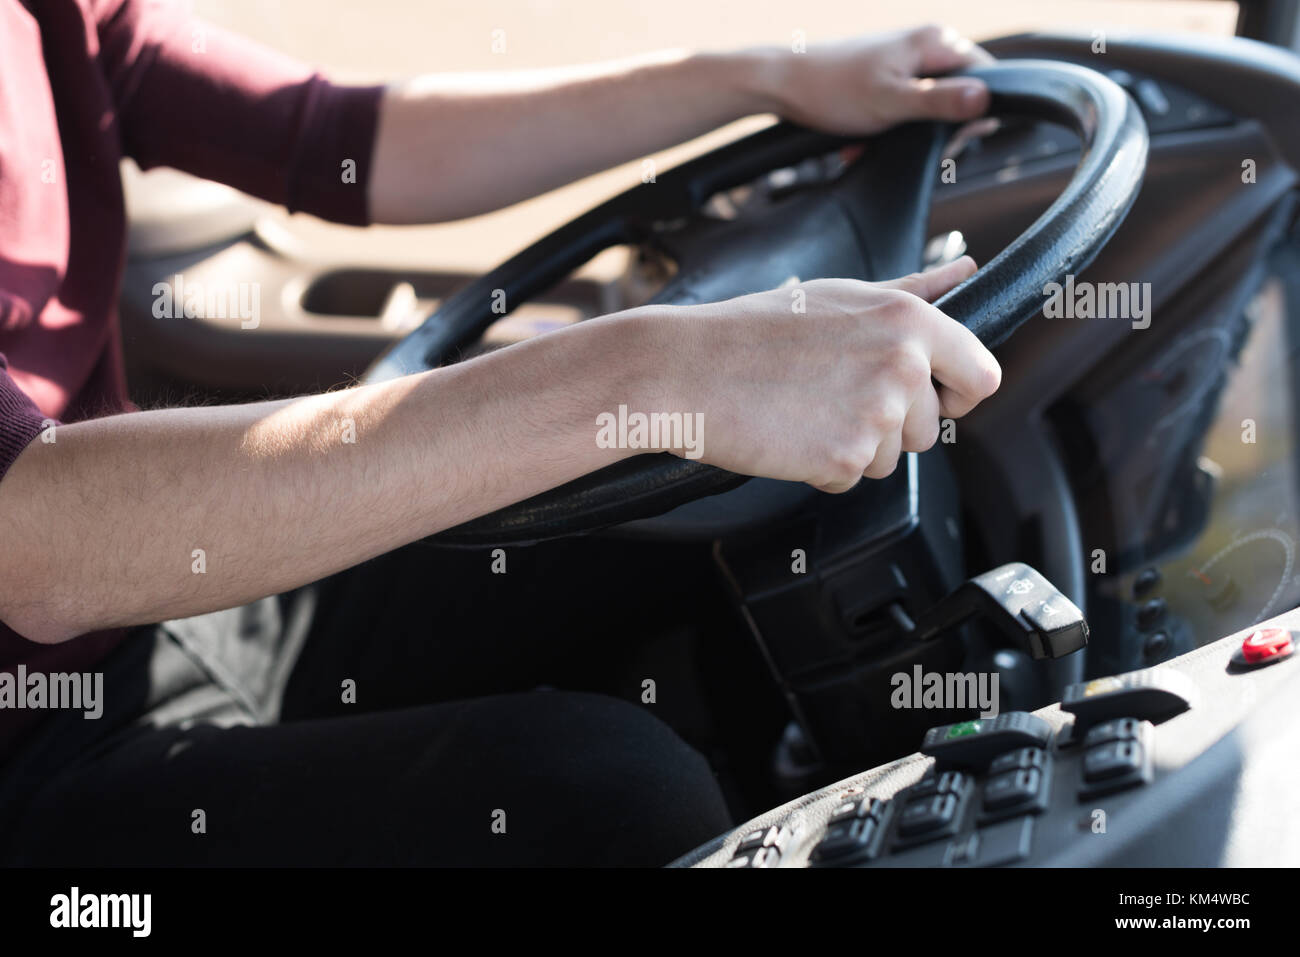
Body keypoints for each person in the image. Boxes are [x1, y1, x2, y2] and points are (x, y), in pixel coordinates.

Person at [0, 0, 1001, 866]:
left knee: (723, 521)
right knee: (604, 797)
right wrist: (652, 369)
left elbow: (335, 140)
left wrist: (763, 77)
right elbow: (42, 545)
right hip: (32, 745)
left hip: (166, 613)